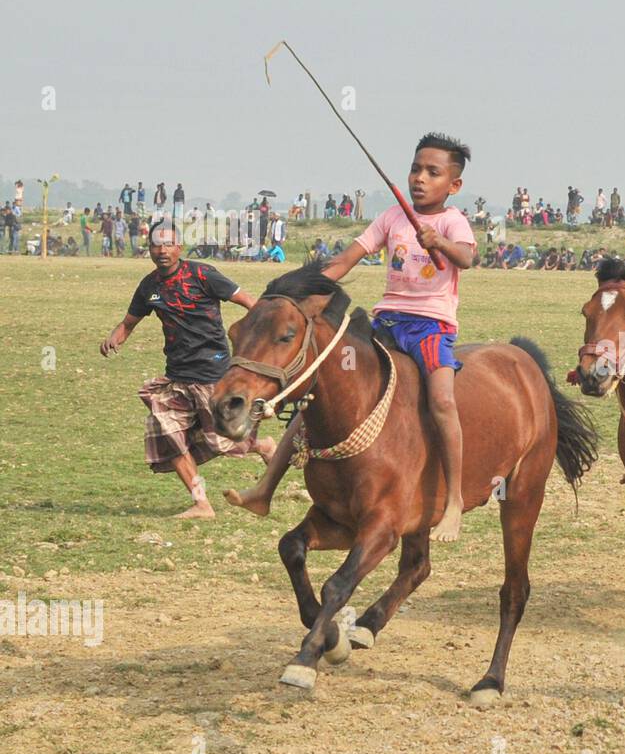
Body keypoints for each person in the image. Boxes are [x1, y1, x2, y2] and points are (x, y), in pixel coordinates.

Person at [229, 132, 476, 544]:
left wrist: (440, 242)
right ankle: (264, 489)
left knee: (443, 400)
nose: (420, 178)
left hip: (431, 327)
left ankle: (452, 502)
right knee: (313, 391)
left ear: (453, 185)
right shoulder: (392, 218)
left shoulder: (453, 221)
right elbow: (346, 260)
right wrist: (297, 295)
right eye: (416, 168)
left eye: (432, 173)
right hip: (386, 322)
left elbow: (467, 258)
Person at [99, 219, 275, 519]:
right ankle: (201, 503)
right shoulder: (149, 286)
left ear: (179, 247)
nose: (162, 250)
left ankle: (263, 446)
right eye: (156, 245)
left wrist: (262, 338)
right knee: (169, 437)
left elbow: (250, 303)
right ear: (149, 249)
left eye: (168, 244)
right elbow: (129, 323)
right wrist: (116, 336)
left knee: (222, 442)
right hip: (177, 378)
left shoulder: (202, 274)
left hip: (213, 376)